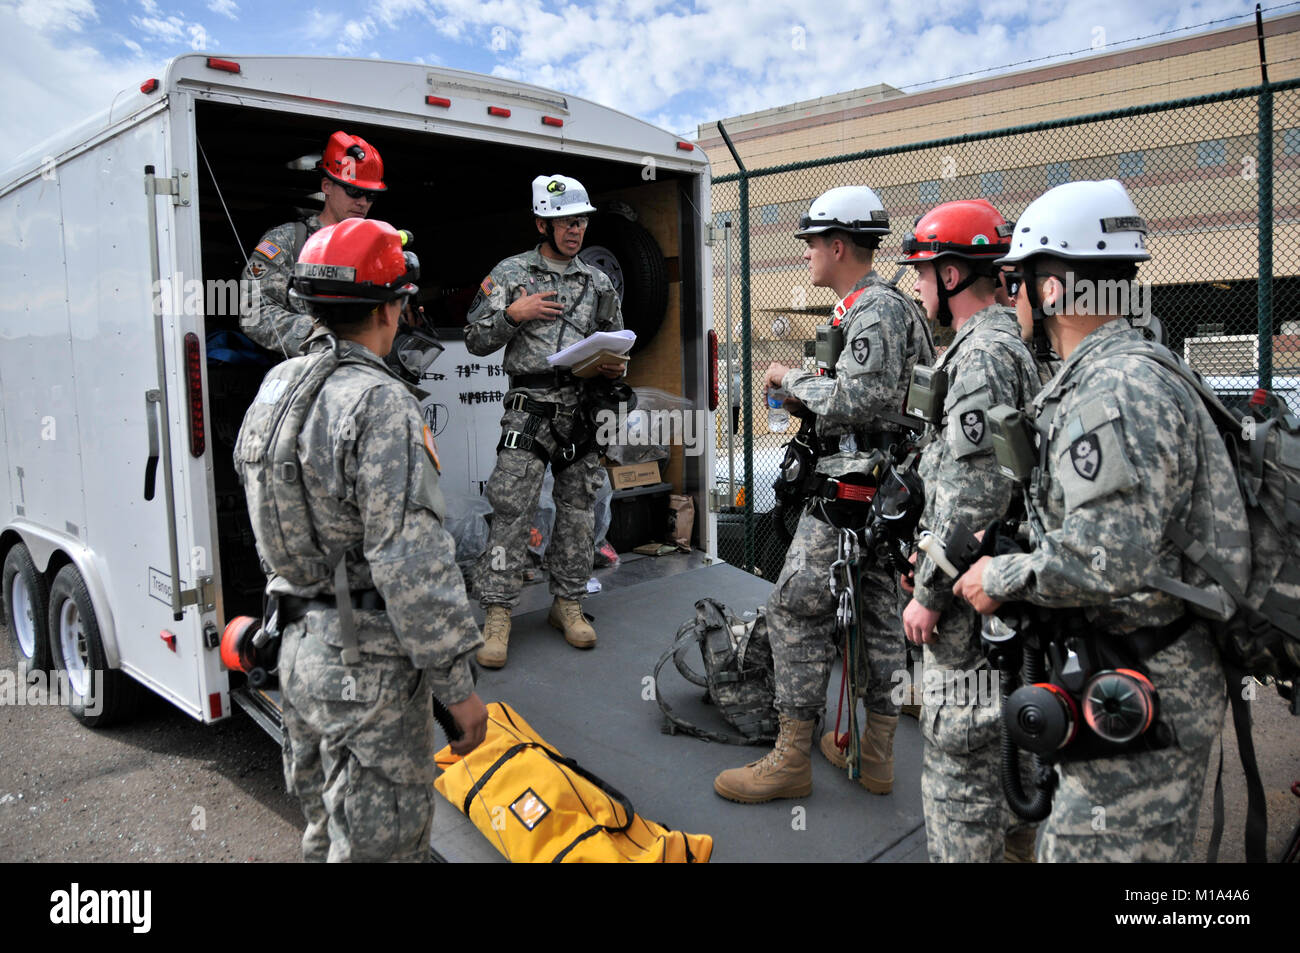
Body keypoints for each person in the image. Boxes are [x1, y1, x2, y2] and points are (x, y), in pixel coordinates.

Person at [951, 180, 1249, 862]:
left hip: (1149, 684)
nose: (1011, 296)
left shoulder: (1114, 387)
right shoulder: (1123, 369)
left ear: (1051, 286)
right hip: (1138, 670)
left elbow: (1109, 557)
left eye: (1017, 279)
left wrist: (1004, 574)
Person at [234, 218, 486, 862]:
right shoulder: (381, 403)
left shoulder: (274, 388)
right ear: (388, 308)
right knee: (381, 848)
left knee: (322, 833)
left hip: (297, 655)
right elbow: (412, 563)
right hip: (366, 670)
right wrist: (457, 689)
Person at [713, 185, 934, 803]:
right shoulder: (873, 310)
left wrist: (791, 377)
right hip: (869, 493)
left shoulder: (876, 312)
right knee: (877, 619)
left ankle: (791, 759)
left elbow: (856, 401)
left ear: (838, 246)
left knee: (794, 608)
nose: (808, 253)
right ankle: (875, 754)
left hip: (851, 493)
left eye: (813, 242)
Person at [897, 199, 1043, 862]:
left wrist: (928, 591)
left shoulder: (981, 356)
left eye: (924, 272)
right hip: (991, 590)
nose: (919, 284)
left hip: (965, 606)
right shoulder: (1001, 345)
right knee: (1006, 769)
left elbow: (974, 493)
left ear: (953, 274)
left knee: (961, 774)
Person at [465, 175, 626, 669]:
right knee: (512, 507)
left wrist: (616, 366)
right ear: (543, 224)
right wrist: (514, 314)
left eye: (580, 220)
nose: (575, 229)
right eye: (564, 221)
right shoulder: (511, 273)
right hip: (530, 405)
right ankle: (497, 615)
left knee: (579, 507)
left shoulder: (598, 281)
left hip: (580, 406)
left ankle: (568, 604)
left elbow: (618, 342)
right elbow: (474, 338)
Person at [239, 130, 387, 357]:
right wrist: (321, 334)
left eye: (370, 196)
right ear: (327, 186)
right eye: (354, 191)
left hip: (363, 372)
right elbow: (254, 313)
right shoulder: (288, 240)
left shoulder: (376, 250)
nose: (362, 202)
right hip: (306, 375)